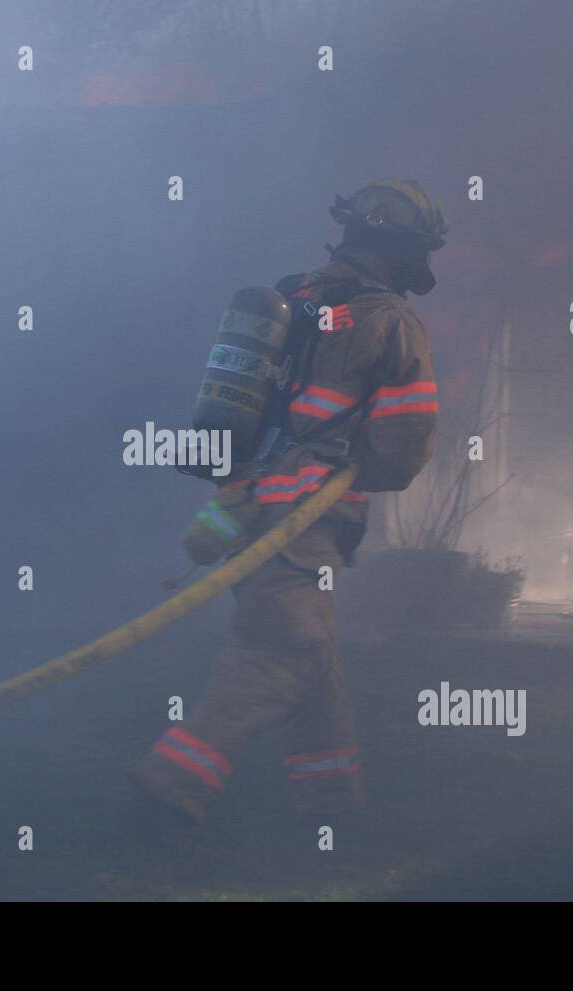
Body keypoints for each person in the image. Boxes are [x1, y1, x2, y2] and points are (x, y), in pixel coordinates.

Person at [128, 178, 447, 840]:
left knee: (315, 658)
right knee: (278, 656)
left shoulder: (296, 296)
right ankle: (166, 793)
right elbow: (399, 451)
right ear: (403, 250)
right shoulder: (391, 322)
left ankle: (333, 809)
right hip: (300, 523)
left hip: (248, 505)